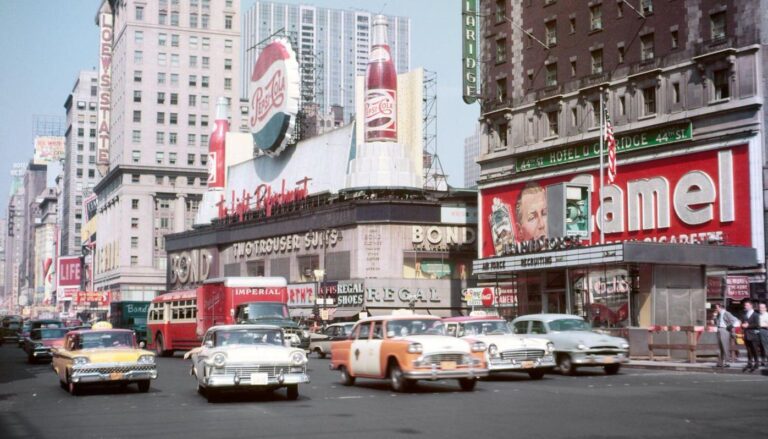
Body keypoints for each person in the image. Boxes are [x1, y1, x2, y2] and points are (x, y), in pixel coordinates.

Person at [712, 303, 739, 368]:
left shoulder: (726, 313)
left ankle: (726, 362)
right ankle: (720, 362)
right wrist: (714, 317)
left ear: (721, 307)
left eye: (717, 307)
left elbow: (736, 321)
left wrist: (730, 327)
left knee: (724, 346)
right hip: (719, 330)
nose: (716, 309)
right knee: (720, 347)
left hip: (724, 330)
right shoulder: (718, 314)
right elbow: (716, 323)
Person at [740, 300, 762, 372]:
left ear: (751, 306)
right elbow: (742, 323)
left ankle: (756, 363)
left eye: (746, 305)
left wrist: (748, 326)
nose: (745, 306)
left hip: (753, 334)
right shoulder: (744, 314)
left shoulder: (756, 314)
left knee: (754, 350)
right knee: (748, 350)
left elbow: (758, 324)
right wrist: (742, 325)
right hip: (746, 334)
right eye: (745, 305)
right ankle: (749, 362)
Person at [758, 302, 768, 368]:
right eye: (760, 307)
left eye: (762, 308)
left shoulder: (767, 315)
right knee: (761, 348)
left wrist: (760, 325)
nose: (761, 309)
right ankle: (763, 361)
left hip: (765, 331)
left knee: (766, 347)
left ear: (765, 308)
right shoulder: (759, 315)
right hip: (759, 332)